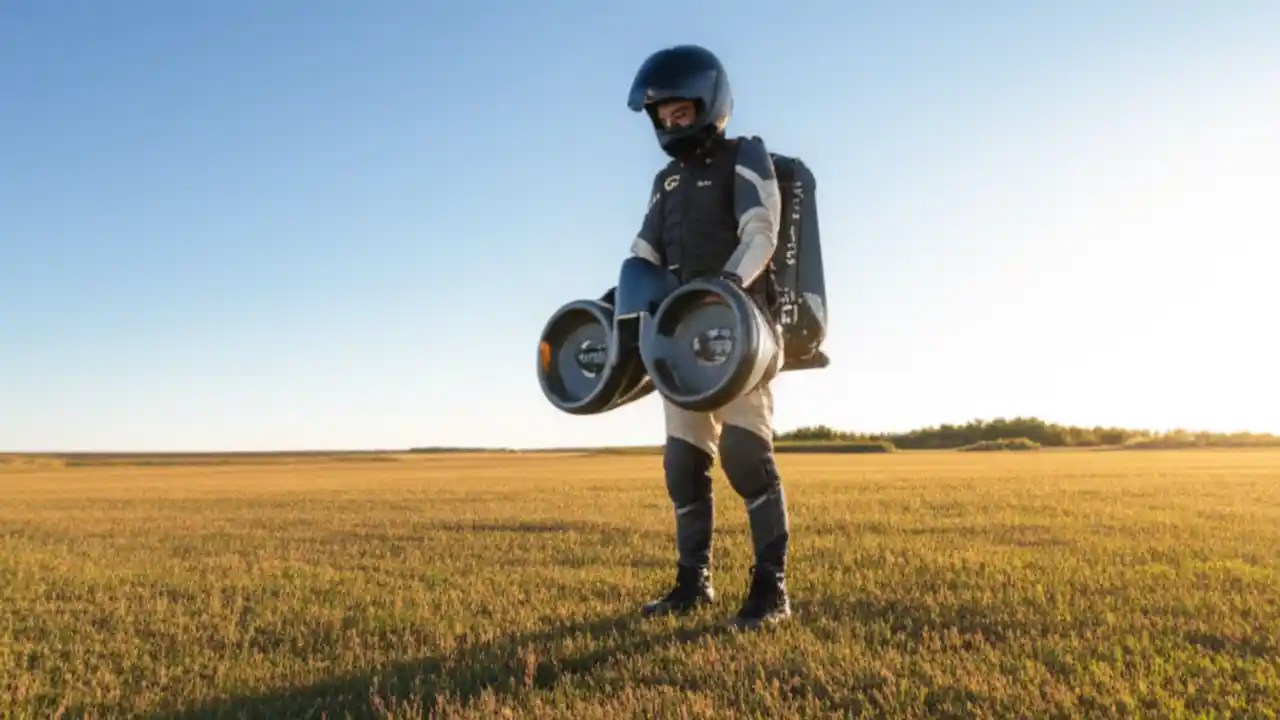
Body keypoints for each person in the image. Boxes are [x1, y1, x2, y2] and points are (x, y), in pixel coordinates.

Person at [624, 45, 791, 630]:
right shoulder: (664, 181)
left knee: (746, 457)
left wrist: (724, 287)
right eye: (662, 117)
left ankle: (771, 592)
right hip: (679, 344)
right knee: (682, 465)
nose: (672, 124)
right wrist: (614, 304)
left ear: (709, 106)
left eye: (681, 113)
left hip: (742, 335)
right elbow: (642, 256)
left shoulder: (747, 155)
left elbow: (761, 231)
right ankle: (693, 585)